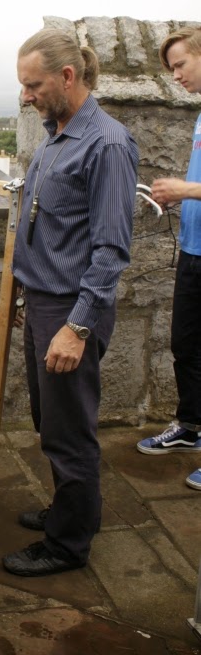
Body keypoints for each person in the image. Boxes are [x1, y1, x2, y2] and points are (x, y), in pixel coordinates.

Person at [4, 29, 138, 577]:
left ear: (66, 77)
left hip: (70, 310)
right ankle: (71, 510)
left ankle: (68, 545)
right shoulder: (57, 133)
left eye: (34, 85)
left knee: (69, 430)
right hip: (44, 303)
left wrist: (76, 327)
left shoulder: (106, 143)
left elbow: (111, 250)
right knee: (48, 418)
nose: (25, 96)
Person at [136, 26, 201, 489]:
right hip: (196, 250)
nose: (175, 75)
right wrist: (182, 196)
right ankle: (191, 427)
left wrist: (186, 189)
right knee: (186, 345)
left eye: (181, 64)